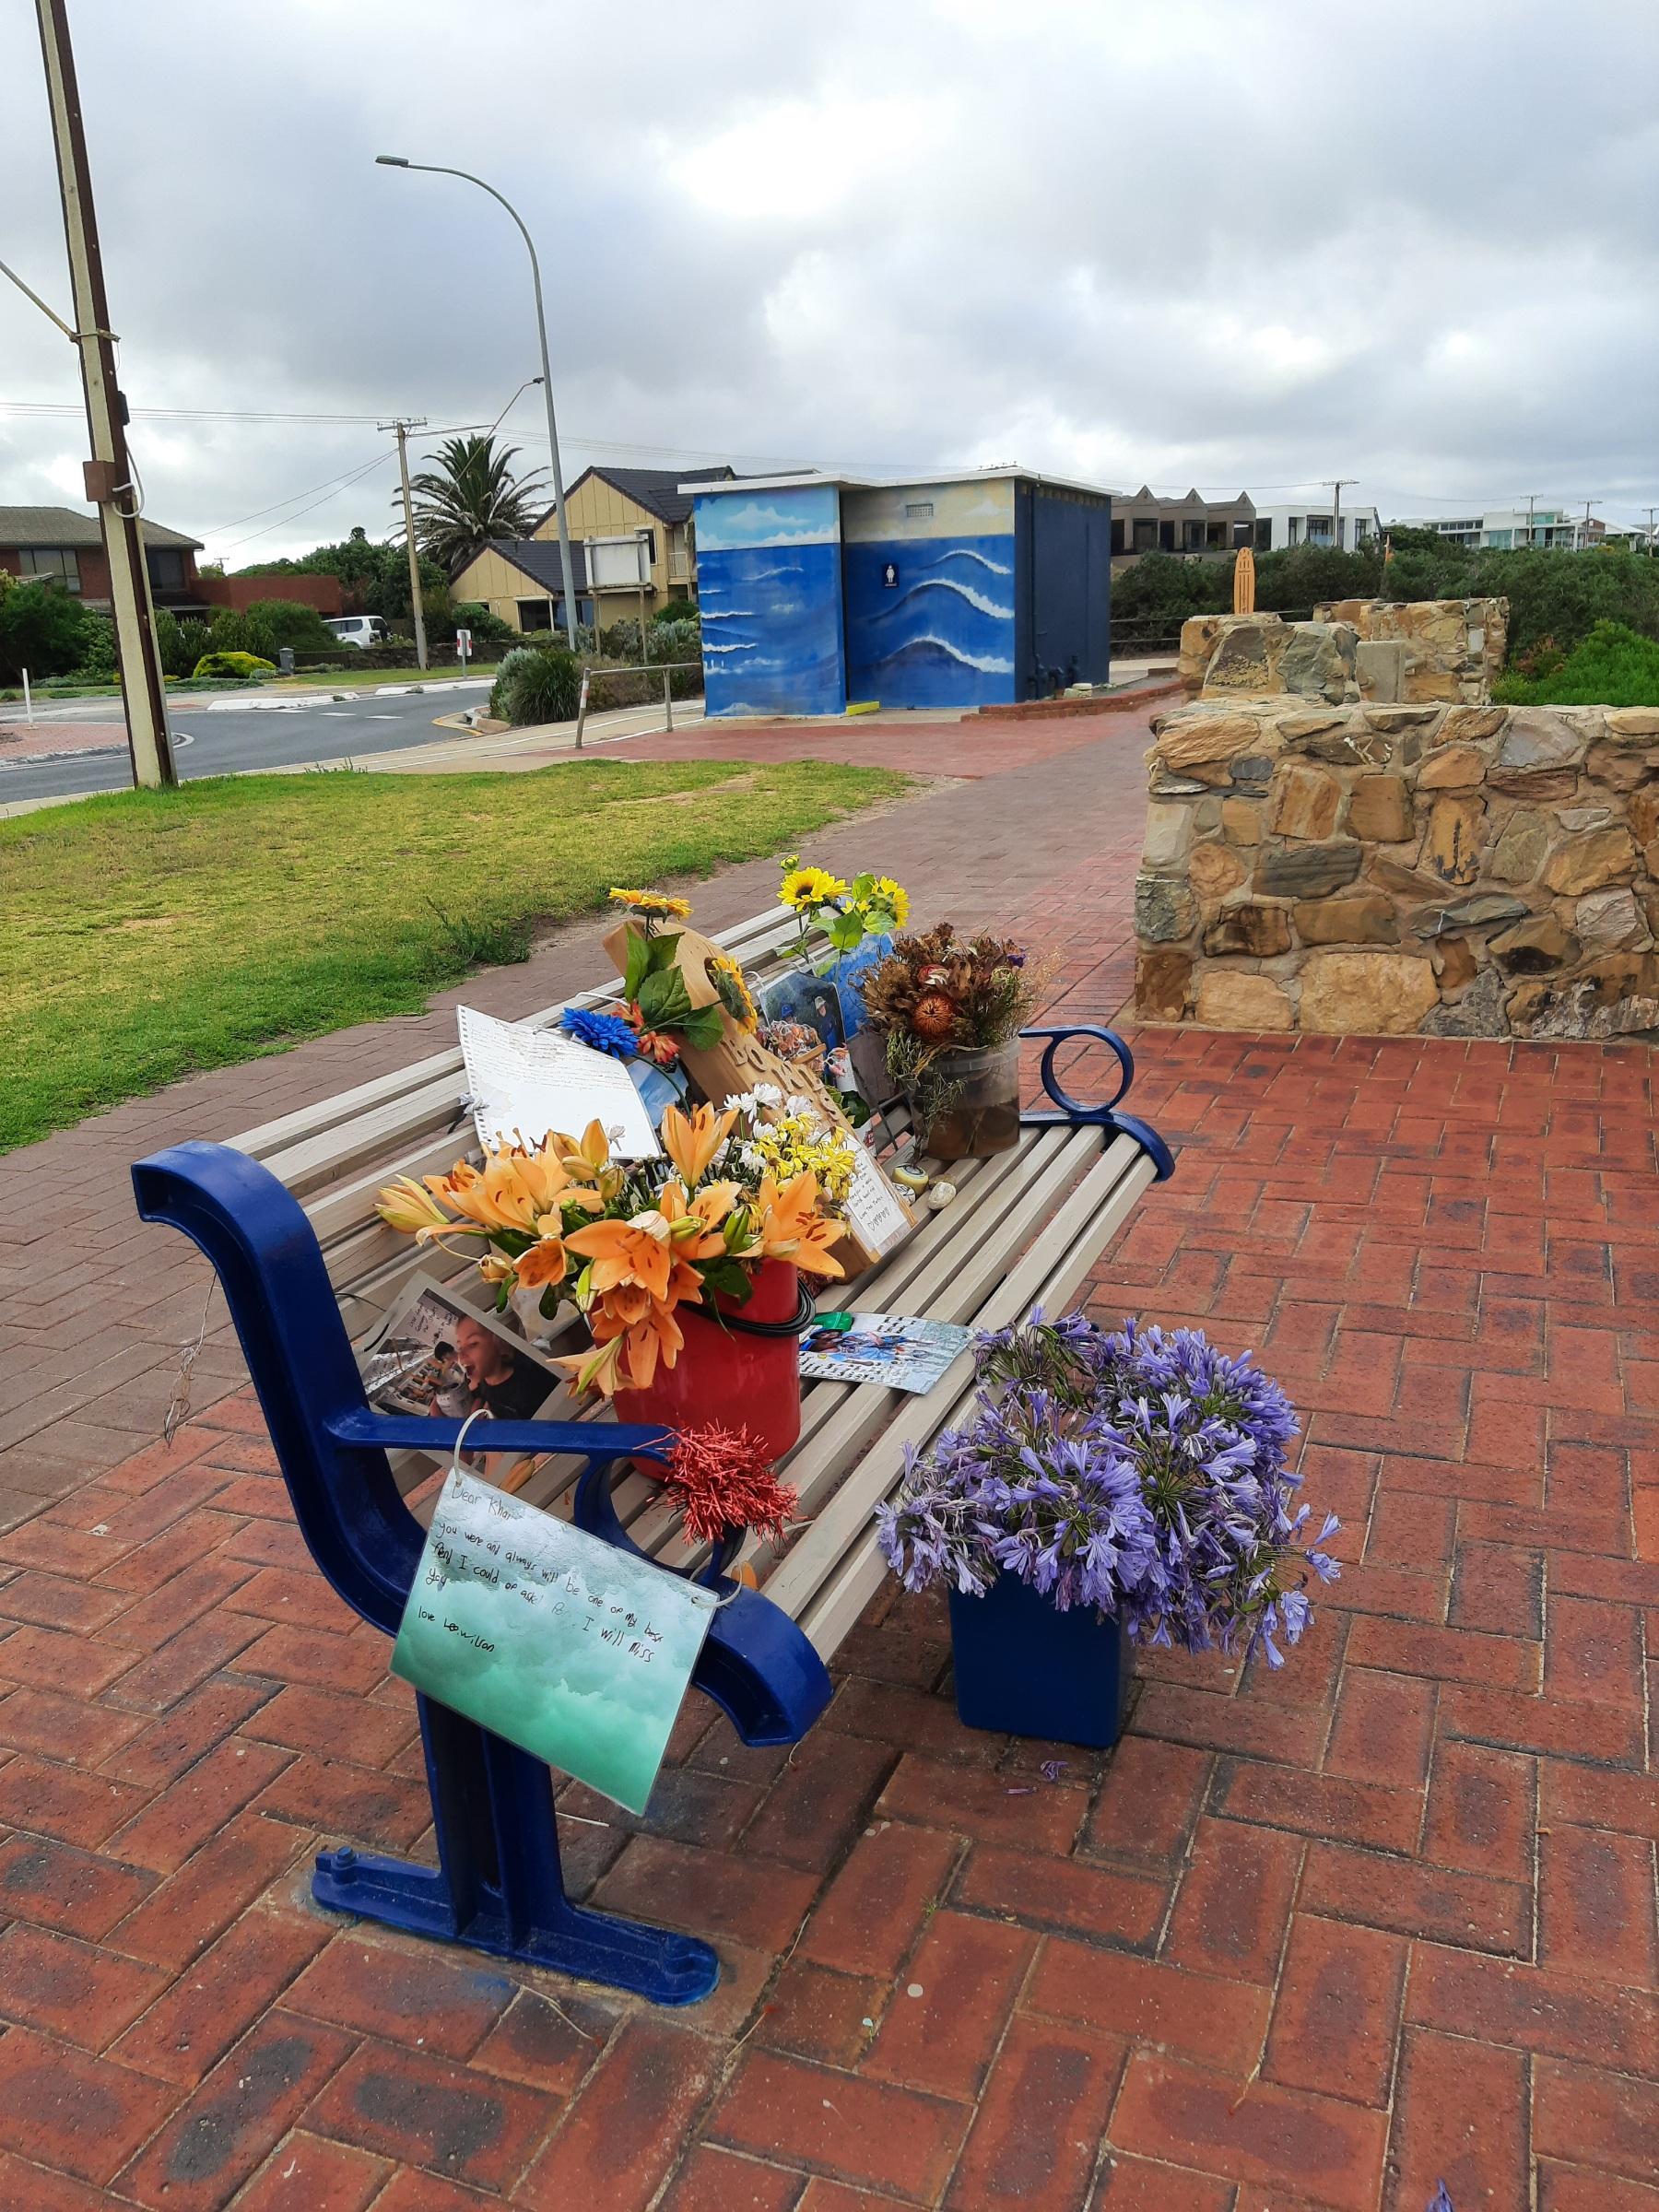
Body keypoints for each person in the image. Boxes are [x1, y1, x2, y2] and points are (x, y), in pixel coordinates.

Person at [453, 1314, 549, 1423]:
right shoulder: (486, 1382)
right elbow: (484, 1394)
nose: (461, 1355)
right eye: (460, 1347)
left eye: (473, 1344)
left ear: (499, 1343)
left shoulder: (529, 1386)